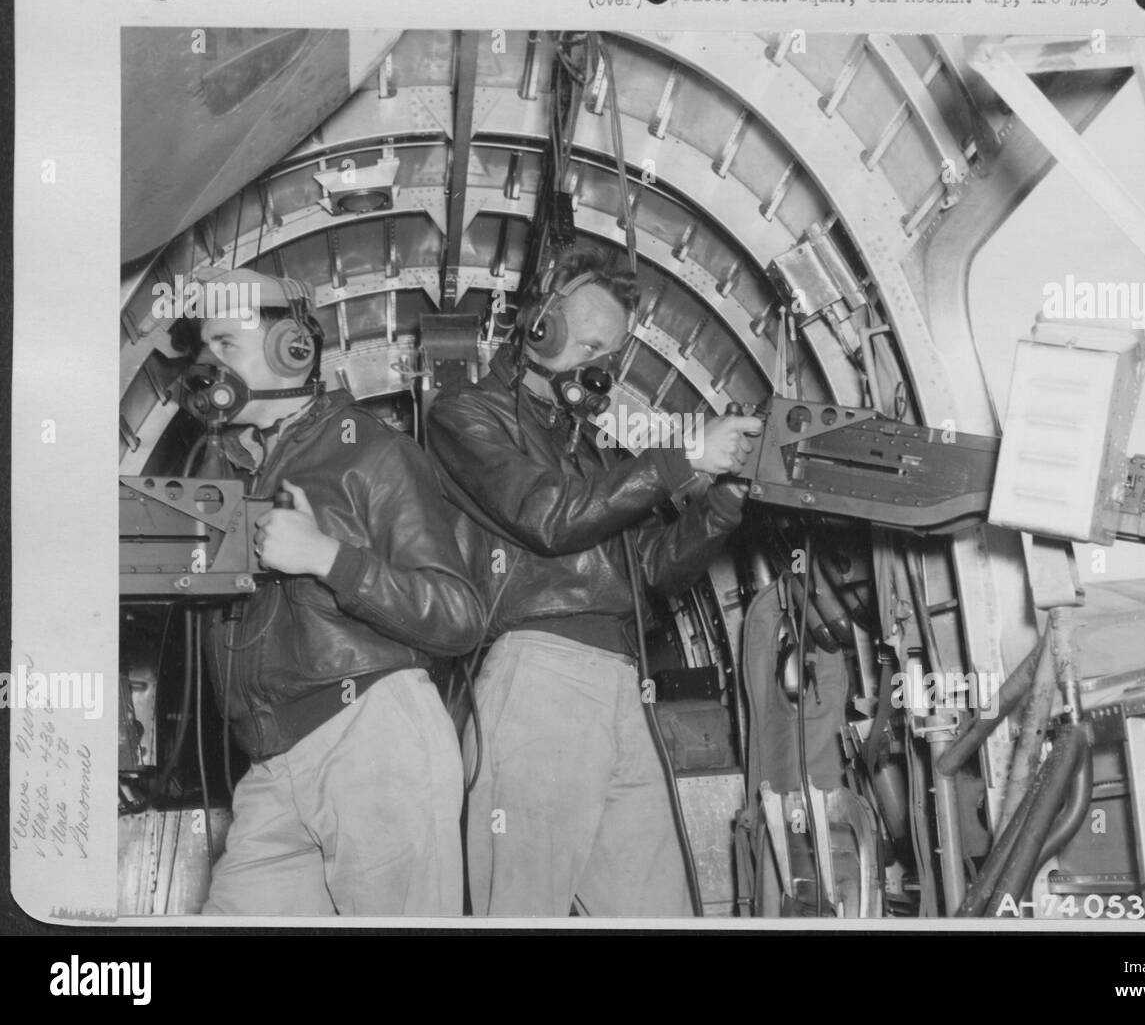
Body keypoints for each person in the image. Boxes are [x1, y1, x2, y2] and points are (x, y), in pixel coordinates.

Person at [427, 248, 763, 917]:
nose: (596, 369)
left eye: (608, 356)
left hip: (616, 681)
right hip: (539, 678)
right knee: (524, 908)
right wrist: (677, 458)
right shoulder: (467, 415)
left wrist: (723, 501)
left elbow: (653, 571)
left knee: (661, 912)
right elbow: (549, 516)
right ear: (538, 328)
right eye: (586, 344)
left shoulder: (589, 450)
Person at [169, 267, 484, 916]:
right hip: (270, 765)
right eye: (204, 350)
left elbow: (460, 615)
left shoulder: (370, 451)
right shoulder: (226, 472)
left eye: (225, 344)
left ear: (292, 346)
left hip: (373, 738)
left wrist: (328, 558)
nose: (208, 367)